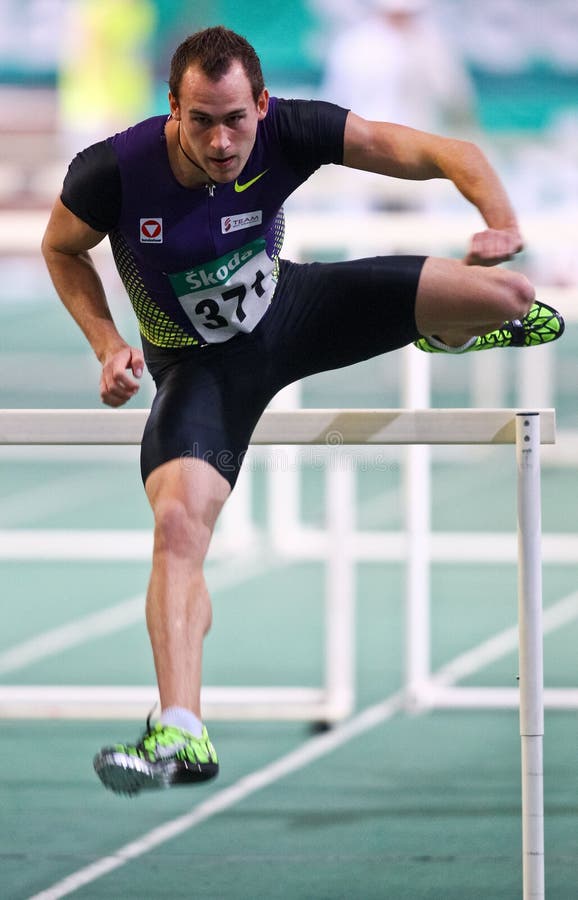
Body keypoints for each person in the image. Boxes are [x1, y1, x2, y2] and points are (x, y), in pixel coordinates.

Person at [41, 25, 563, 797]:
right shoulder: (112, 171)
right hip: (200, 367)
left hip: (292, 311)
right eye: (201, 121)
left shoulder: (295, 128)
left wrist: (499, 222)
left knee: (512, 296)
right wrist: (106, 342)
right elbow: (61, 248)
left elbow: (449, 153)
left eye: (236, 120)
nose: (222, 142)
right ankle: (180, 728)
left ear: (261, 104)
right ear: (173, 108)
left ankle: (446, 331)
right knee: (179, 524)